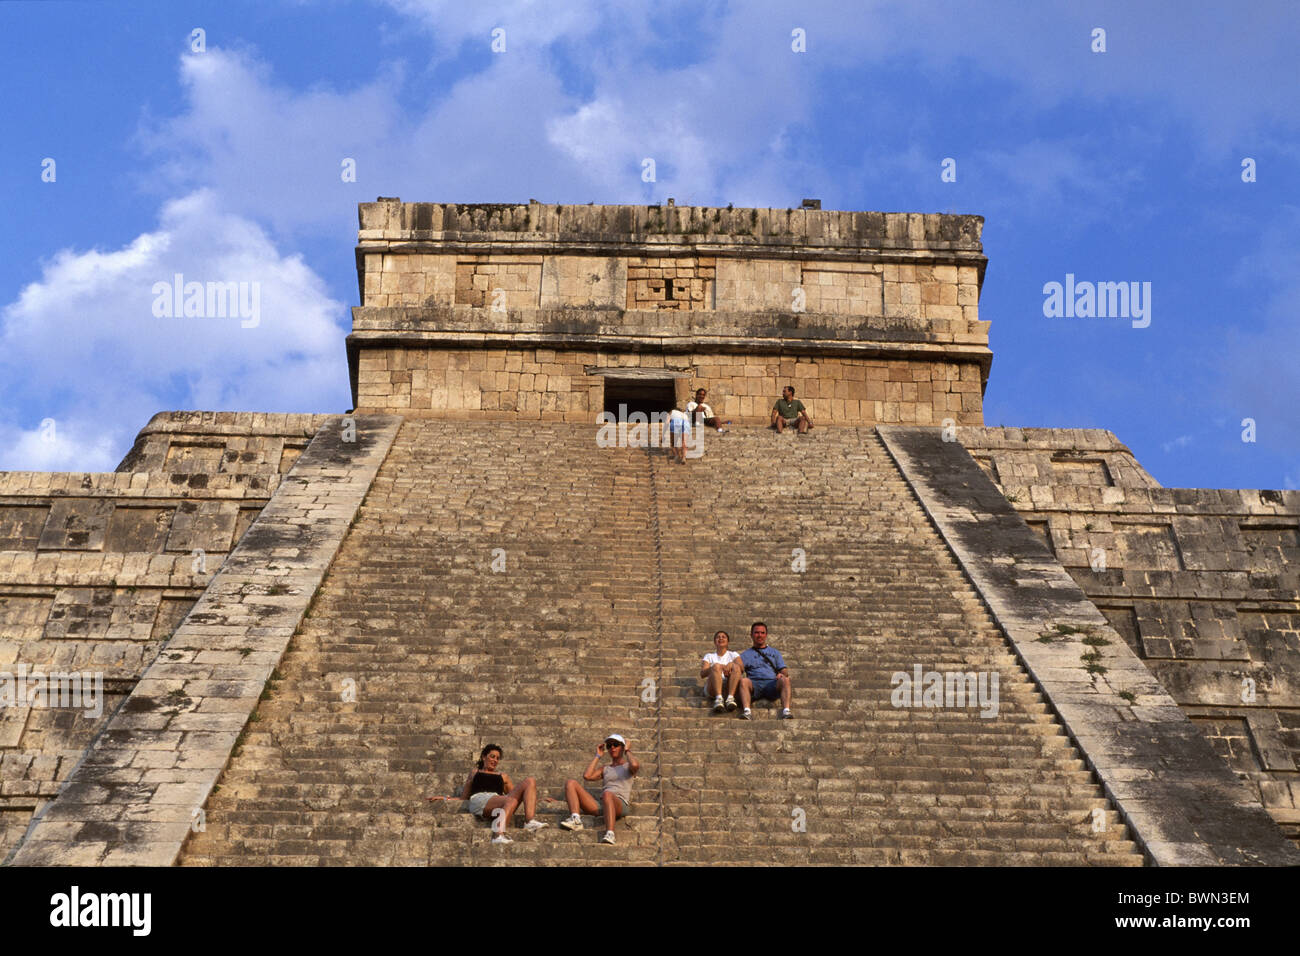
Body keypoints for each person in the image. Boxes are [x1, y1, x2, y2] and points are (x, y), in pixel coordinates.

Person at [426, 743, 548, 844]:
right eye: (492, 756)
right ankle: (497, 835)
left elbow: (518, 796)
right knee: (508, 800)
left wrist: (540, 800)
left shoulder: (503, 776)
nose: (495, 760)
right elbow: (464, 797)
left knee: (530, 781)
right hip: (480, 800)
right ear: (484, 757)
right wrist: (445, 798)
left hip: (499, 800)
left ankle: (529, 821)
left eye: (497, 758)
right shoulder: (475, 772)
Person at [560, 734, 639, 845]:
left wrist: (627, 750)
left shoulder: (627, 766)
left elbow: (635, 765)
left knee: (607, 794)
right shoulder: (605, 768)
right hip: (604, 804)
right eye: (609, 746)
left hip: (620, 804)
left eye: (616, 745)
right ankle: (575, 819)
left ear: (622, 747)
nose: (612, 748)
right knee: (571, 783)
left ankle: (610, 833)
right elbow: (587, 776)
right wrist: (598, 756)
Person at [737, 622, 793, 719]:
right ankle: (747, 711)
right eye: (757, 633)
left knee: (786, 680)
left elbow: (784, 670)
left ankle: (786, 711)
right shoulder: (745, 655)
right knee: (744, 681)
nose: (760, 635)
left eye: (762, 633)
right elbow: (738, 670)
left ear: (766, 635)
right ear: (751, 635)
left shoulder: (775, 652)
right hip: (754, 684)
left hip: (772, 683)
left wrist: (781, 674)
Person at [700, 630, 743, 713]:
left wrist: (731, 664)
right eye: (718, 637)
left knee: (736, 666)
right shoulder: (709, 656)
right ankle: (718, 698)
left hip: (730, 685)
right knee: (716, 666)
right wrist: (718, 667)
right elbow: (703, 673)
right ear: (714, 642)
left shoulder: (733, 654)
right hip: (712, 687)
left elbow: (741, 668)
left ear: (728, 641)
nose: (721, 638)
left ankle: (730, 698)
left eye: (723, 637)